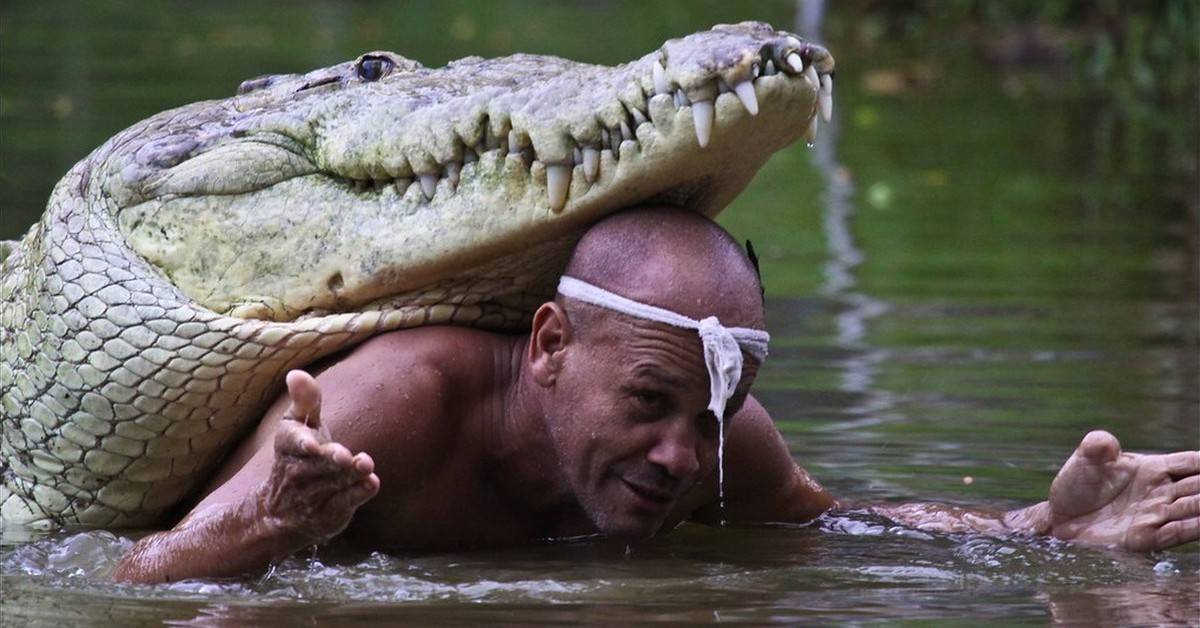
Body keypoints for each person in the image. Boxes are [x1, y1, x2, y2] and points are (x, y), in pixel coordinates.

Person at [113, 207, 1199, 583]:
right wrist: (268, 519)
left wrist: (1044, 528)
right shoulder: (400, 408)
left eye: (711, 419)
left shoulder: (717, 437)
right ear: (548, 344)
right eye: (649, 402)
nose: (684, 457)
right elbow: (135, 576)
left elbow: (854, 530)